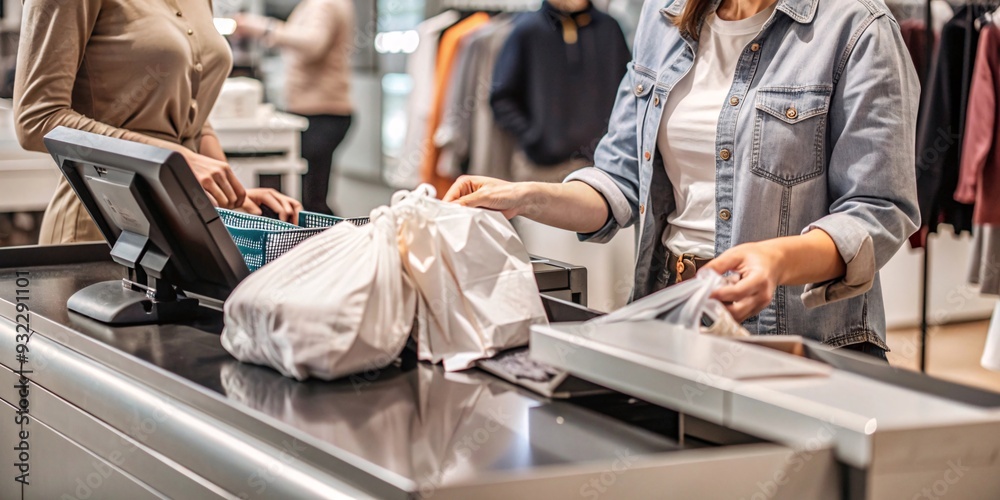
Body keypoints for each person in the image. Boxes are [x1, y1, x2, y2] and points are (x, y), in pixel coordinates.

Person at [445, 0, 921, 360]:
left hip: (797, 339)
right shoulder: (664, 16)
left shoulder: (857, 29)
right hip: (670, 313)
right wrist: (525, 196)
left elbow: (879, 208)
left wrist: (776, 260)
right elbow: (621, 177)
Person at [13, 0, 302, 246]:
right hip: (103, 225)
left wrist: (232, 194)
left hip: (184, 230)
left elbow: (194, 120)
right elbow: (38, 119)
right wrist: (171, 159)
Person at [235, 0, 355, 215]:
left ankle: (328, 244)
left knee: (311, 201)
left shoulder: (323, 5)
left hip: (320, 113)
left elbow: (313, 44)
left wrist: (262, 27)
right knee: (313, 196)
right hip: (321, 112)